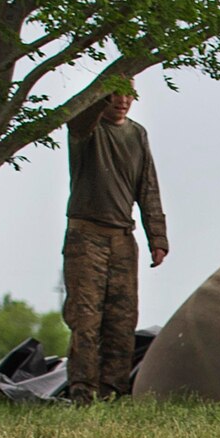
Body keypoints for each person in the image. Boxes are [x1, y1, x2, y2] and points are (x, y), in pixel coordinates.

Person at [62, 85, 167, 402]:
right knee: (86, 318)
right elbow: (76, 121)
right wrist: (98, 93)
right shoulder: (87, 129)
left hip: (122, 236)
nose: (122, 101)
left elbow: (147, 187)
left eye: (128, 95)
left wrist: (157, 236)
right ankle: (82, 390)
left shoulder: (137, 134)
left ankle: (115, 390)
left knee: (122, 319)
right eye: (114, 94)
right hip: (86, 235)